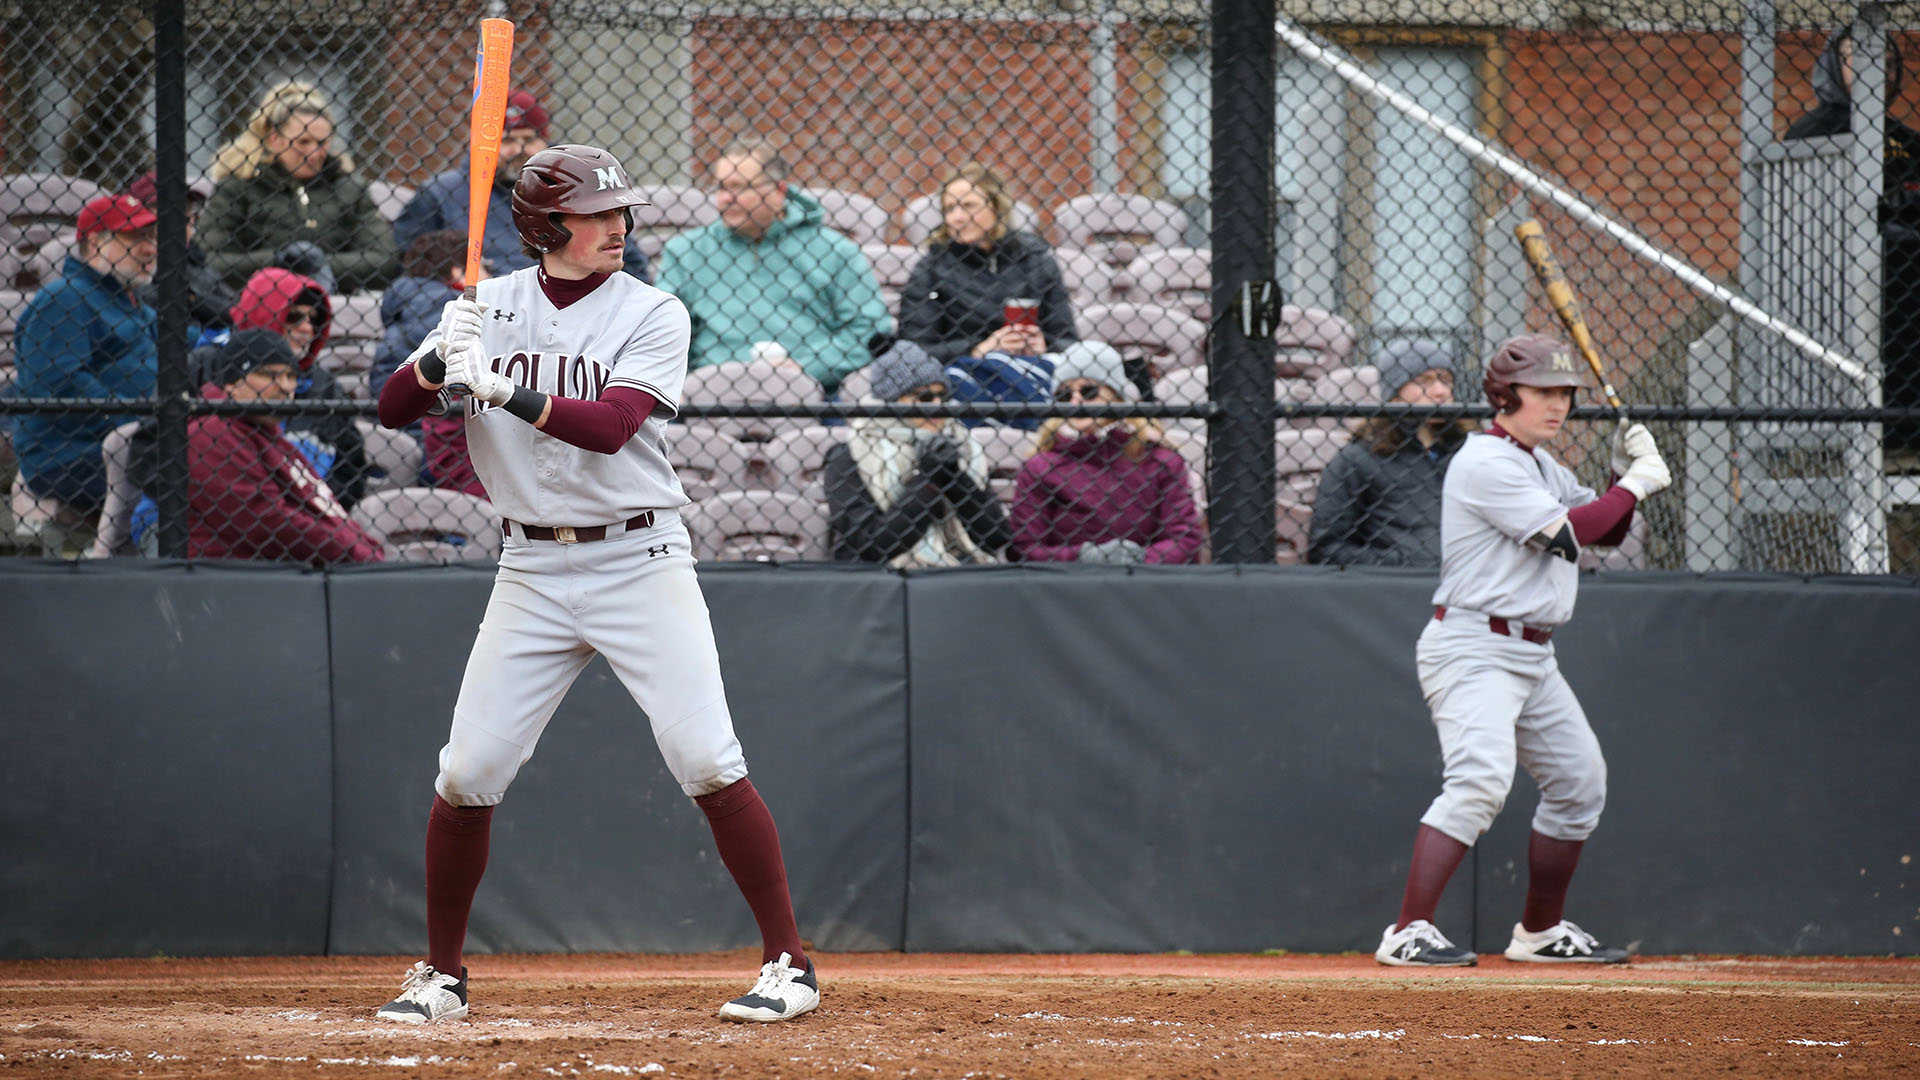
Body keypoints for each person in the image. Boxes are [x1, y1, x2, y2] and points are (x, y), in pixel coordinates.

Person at [373, 144, 818, 1025]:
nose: (617, 226)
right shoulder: (483, 308)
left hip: (638, 558)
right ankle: (442, 973)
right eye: (595, 214)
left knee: (706, 758)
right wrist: (435, 366)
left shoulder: (653, 310)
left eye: (620, 212)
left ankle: (790, 964)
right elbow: (390, 410)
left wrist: (502, 390)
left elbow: (613, 427)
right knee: (468, 770)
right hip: (530, 566)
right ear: (543, 226)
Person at [1374, 334, 1670, 969]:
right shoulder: (1486, 460)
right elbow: (1567, 533)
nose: (1558, 404)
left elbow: (1608, 532)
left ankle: (1539, 932)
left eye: (1565, 393)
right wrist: (1639, 486)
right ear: (1506, 395)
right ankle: (1407, 930)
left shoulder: (1539, 462)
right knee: (1480, 780)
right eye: (1544, 392)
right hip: (1474, 646)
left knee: (1579, 784)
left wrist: (1620, 476)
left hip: (1532, 654)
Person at [126, 330, 383, 566]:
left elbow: (321, 508)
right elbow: (265, 522)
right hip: (226, 578)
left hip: (269, 570)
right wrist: (359, 556)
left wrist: (365, 550)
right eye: (268, 375)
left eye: (290, 376)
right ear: (232, 382)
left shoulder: (266, 434)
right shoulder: (212, 432)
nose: (284, 386)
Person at [654, 137, 889, 393]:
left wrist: (808, 368)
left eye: (740, 188)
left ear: (779, 191)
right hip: (708, 393)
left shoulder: (836, 251)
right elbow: (662, 334)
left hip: (810, 394)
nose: (727, 198)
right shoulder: (686, 251)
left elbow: (869, 329)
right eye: (721, 187)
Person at [1784, 26, 1920, 459]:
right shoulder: (1812, 133)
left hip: (1905, 275)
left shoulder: (1904, 139)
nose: (1870, 66)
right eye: (1854, 56)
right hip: (1838, 276)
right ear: (1831, 65)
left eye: (1883, 59)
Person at [393, 91, 650, 282]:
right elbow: (413, 269)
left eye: (529, 139)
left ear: (545, 141)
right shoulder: (440, 194)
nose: (519, 150)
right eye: (507, 141)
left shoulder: (580, 190)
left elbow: (633, 266)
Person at [11, 193, 157, 514]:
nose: (150, 248)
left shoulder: (133, 303)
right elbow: (58, 384)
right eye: (134, 237)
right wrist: (138, 424)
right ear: (95, 244)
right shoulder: (64, 299)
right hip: (71, 456)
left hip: (138, 444)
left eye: (151, 236)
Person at [187, 267, 368, 509]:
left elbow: (350, 470)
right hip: (202, 511)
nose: (307, 329)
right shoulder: (203, 366)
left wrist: (309, 508)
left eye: (314, 320)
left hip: (299, 520)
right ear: (262, 314)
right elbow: (154, 448)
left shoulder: (324, 386)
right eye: (293, 317)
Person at [1010, 341, 1203, 564]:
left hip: (1145, 583)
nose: (1076, 401)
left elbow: (1184, 539)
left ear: (1115, 395)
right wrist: (1084, 557)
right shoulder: (1041, 465)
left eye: (1088, 391)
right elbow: (1026, 547)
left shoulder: (1159, 460)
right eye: (1064, 395)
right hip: (1065, 586)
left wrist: (1138, 560)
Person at [823, 339, 1011, 565]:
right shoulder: (849, 455)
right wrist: (927, 482)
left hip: (961, 570)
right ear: (892, 401)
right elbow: (871, 546)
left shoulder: (960, 444)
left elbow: (995, 536)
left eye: (943, 396)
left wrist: (955, 478)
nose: (937, 405)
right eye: (924, 397)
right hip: (883, 578)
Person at [197, 80, 396, 293]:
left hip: (336, 301)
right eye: (303, 142)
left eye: (321, 143)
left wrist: (316, 263)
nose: (313, 154)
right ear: (275, 140)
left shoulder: (349, 188)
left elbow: (385, 261)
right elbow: (210, 260)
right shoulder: (238, 187)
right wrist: (277, 261)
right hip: (257, 301)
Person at [1307, 339, 1476, 567]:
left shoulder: (1471, 450)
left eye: (1446, 380)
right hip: (1399, 588)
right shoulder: (1359, 459)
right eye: (1423, 381)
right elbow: (1327, 547)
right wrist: (1404, 562)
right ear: (1395, 393)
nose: (1440, 391)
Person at [898, 162, 1076, 366]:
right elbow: (913, 348)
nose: (956, 217)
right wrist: (977, 349)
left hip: (1031, 368)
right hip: (961, 375)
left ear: (996, 206)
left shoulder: (1035, 259)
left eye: (968, 206)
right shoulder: (932, 268)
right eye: (949, 208)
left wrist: (1044, 346)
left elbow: (1068, 340)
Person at [125, 171, 235, 334]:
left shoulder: (194, 260)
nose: (186, 224)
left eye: (189, 216)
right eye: (171, 215)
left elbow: (239, 310)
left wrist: (194, 300)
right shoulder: (128, 262)